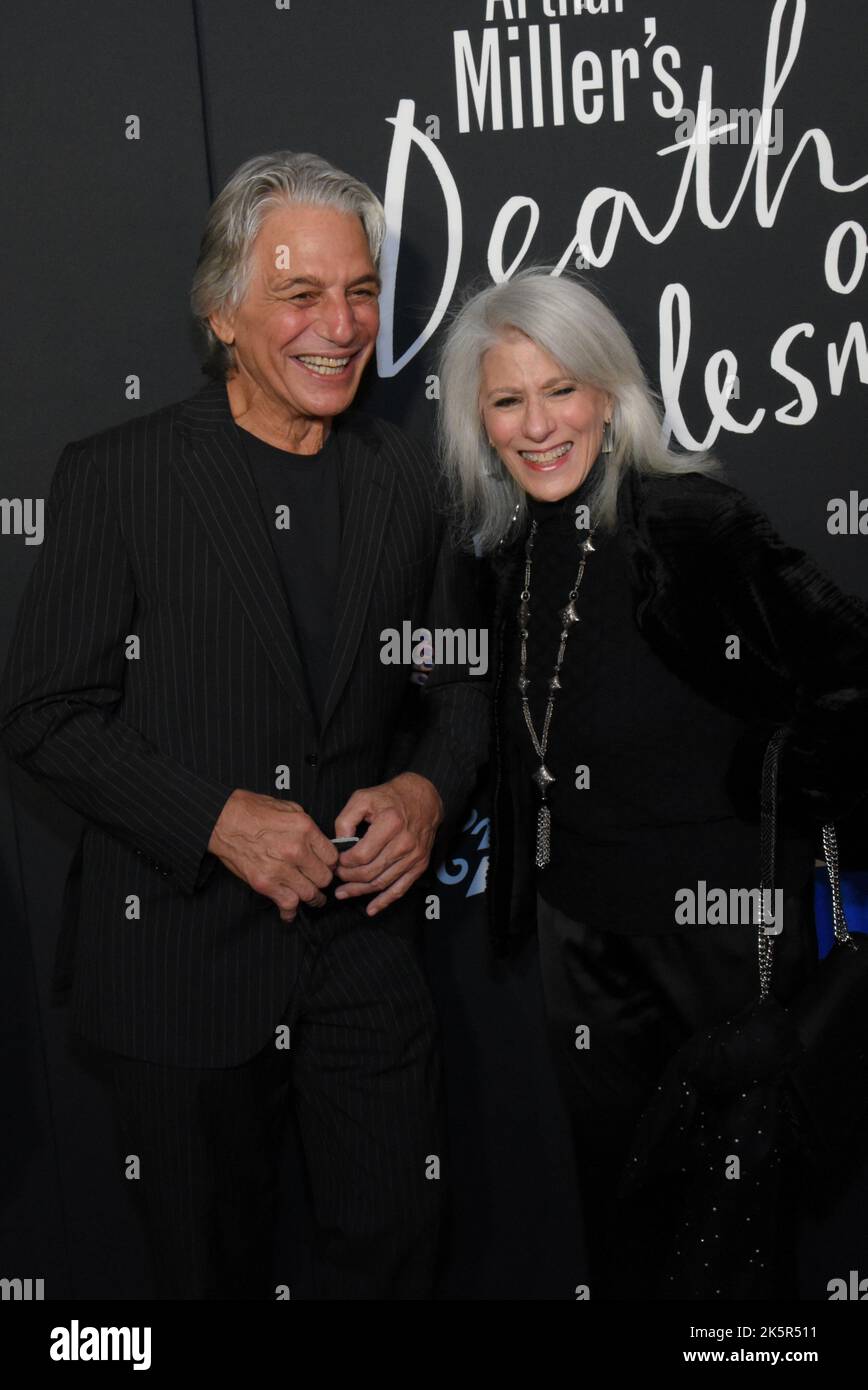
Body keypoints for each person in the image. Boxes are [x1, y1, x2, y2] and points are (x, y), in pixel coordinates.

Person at [0, 151, 489, 1299]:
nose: (342, 325)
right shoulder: (118, 477)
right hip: (178, 964)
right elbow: (42, 708)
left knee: (398, 1253)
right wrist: (217, 820)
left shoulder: (410, 480)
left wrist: (425, 789)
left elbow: (462, 682)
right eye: (300, 294)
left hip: (365, 958)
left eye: (359, 291)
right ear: (222, 312)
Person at [437, 267, 868, 1299]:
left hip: (722, 940)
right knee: (625, 1226)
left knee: (733, 1245)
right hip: (581, 944)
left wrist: (769, 776)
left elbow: (851, 677)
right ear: (479, 422)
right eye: (508, 400)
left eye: (562, 390)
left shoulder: (692, 526)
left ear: (609, 394)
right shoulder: (499, 560)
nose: (539, 424)